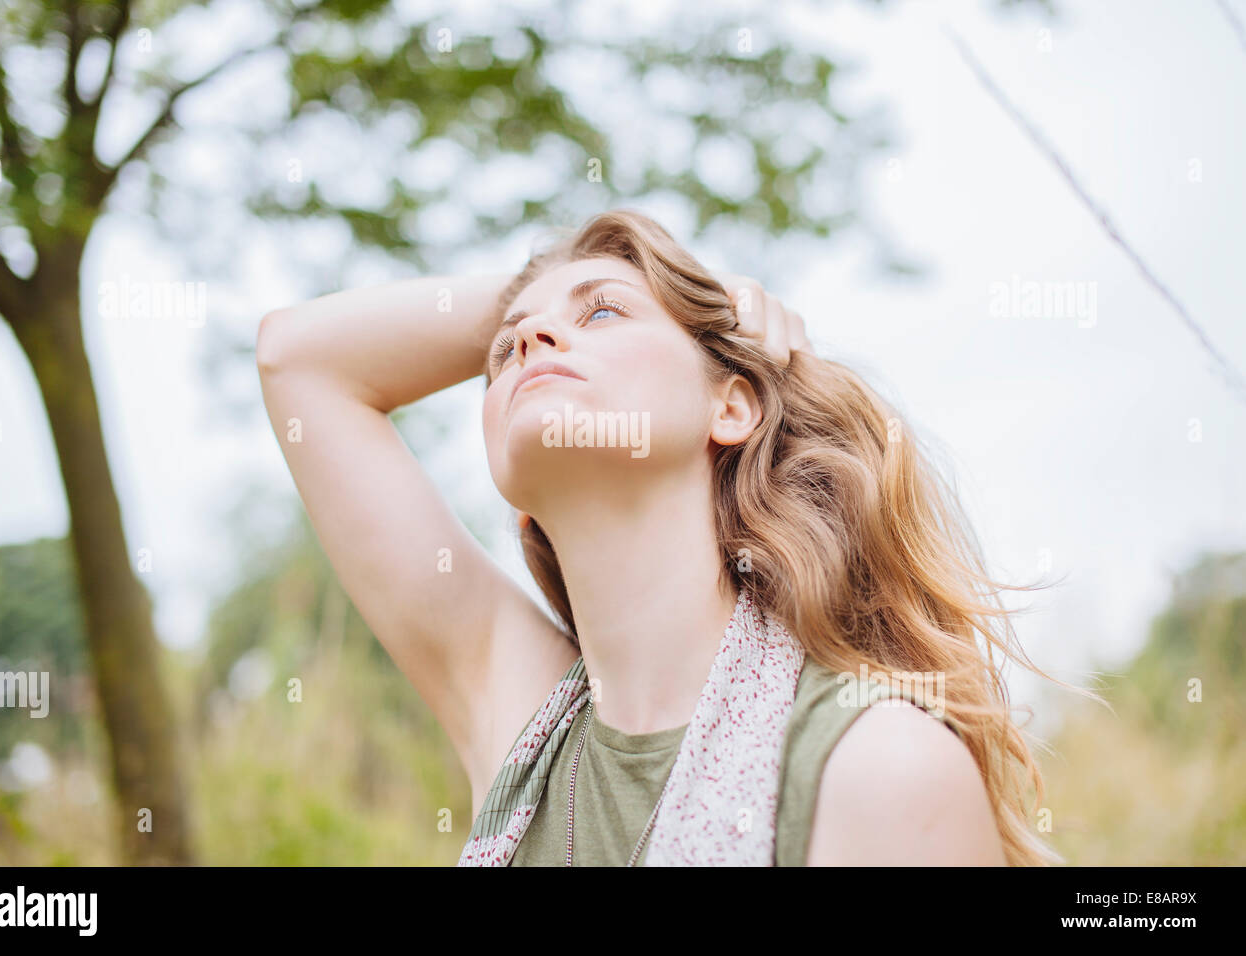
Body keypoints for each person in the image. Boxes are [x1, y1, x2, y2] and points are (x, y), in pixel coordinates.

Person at [256, 208, 1075, 866]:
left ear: (732, 405)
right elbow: (296, 359)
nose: (533, 342)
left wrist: (676, 300)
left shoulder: (878, 769)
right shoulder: (522, 720)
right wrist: (551, 292)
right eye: (506, 349)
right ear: (521, 504)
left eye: (604, 314)